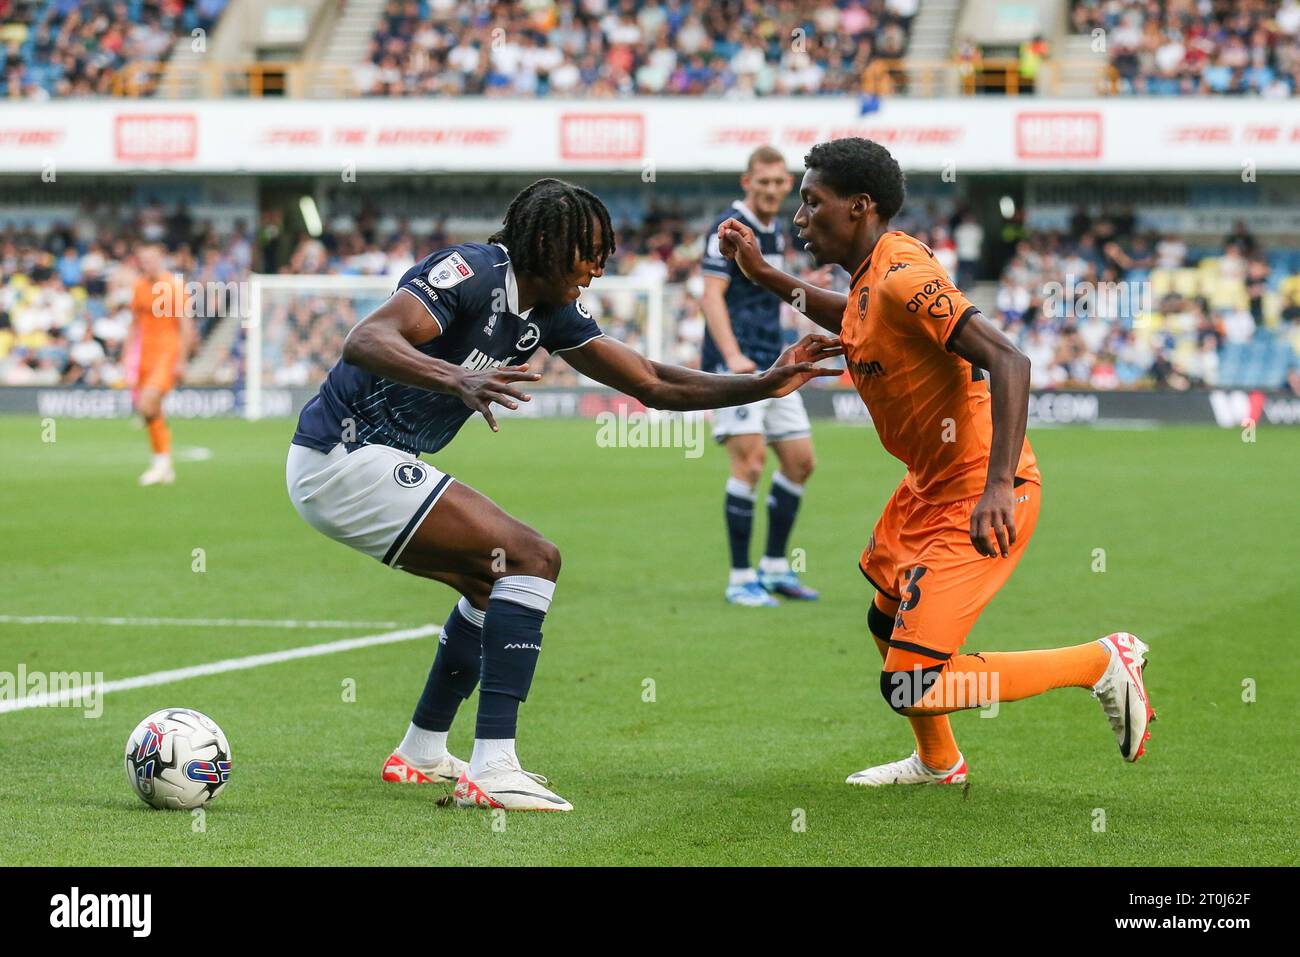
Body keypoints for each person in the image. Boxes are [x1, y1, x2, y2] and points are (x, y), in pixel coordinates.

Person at [286, 178, 841, 811]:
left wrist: (763, 384)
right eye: (591, 251)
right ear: (548, 244)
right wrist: (457, 377)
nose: (599, 268)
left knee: (490, 581)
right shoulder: (467, 272)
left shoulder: (551, 311)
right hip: (338, 457)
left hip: (369, 461)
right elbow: (366, 339)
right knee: (532, 557)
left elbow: (652, 383)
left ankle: (421, 752)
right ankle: (494, 767)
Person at [717, 138, 1154, 786]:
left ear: (861, 207)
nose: (799, 218)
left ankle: (1098, 661)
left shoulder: (901, 274)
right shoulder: (872, 278)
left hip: (980, 488)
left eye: (812, 202)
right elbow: (856, 313)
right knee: (883, 617)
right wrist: (764, 276)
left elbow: (1009, 358)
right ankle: (939, 761)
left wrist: (998, 484)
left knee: (912, 682)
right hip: (928, 486)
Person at [700, 145, 819, 606]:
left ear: (789, 185)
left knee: (800, 462)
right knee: (749, 465)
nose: (771, 189)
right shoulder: (727, 229)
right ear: (746, 182)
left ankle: (772, 568)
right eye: (762, 182)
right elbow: (712, 296)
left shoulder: (774, 232)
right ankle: (739, 577)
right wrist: (732, 357)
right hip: (738, 367)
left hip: (775, 361)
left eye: (778, 182)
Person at [126, 243, 194, 486]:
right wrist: (126, 358)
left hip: (167, 355)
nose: (148, 264)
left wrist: (183, 360)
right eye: (143, 260)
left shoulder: (174, 287)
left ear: (161, 259)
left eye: (152, 259)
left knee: (147, 405)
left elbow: (186, 325)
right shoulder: (139, 287)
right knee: (152, 410)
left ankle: (161, 464)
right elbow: (135, 324)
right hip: (145, 356)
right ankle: (163, 466)